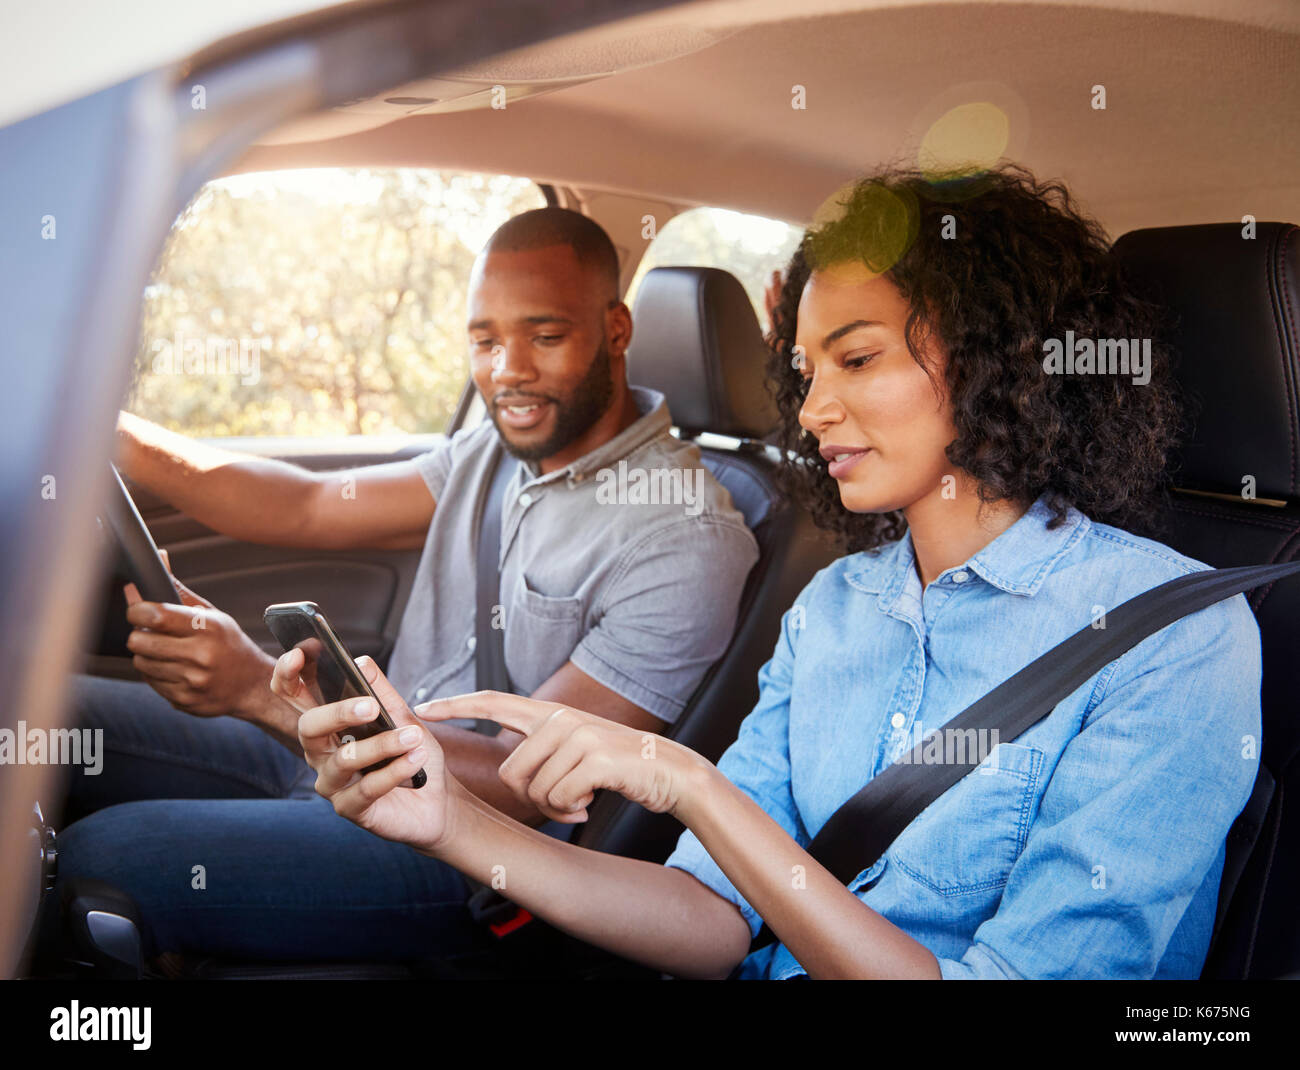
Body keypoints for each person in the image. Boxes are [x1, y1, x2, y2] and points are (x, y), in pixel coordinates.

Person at [274, 165, 1262, 979]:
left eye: (857, 359)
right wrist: (447, 819)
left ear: (997, 358)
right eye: (804, 369)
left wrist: (692, 787)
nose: (812, 407)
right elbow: (710, 918)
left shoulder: (1175, 638)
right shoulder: (834, 606)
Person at [42, 207, 759, 968]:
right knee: (49, 715)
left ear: (616, 330)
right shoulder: (503, 448)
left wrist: (261, 691)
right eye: (485, 341)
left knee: (97, 856)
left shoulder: (685, 538)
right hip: (361, 755)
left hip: (471, 847)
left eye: (545, 337)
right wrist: (96, 424)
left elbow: (523, 780)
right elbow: (307, 505)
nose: (508, 370)